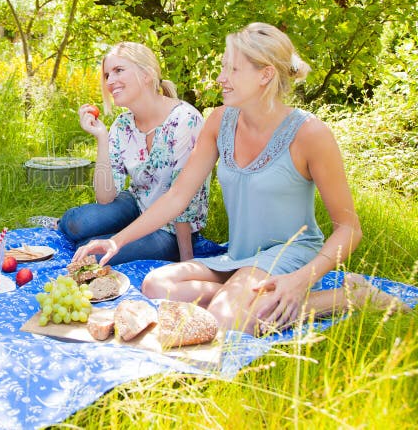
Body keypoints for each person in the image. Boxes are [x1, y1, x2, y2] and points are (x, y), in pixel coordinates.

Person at [73, 23, 407, 335]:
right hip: (240, 255)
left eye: (232, 69)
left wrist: (302, 279)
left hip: (289, 255)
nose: (221, 78)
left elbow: (349, 229)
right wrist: (118, 241)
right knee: (156, 285)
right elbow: (177, 197)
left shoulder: (310, 133)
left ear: (265, 75)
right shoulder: (220, 121)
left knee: (225, 318)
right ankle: (253, 300)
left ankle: (351, 297)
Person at [57, 42, 224, 265]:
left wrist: (186, 262)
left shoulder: (185, 120)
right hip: (136, 204)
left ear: (147, 75)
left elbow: (185, 202)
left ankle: (120, 237)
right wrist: (102, 138)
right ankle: (118, 232)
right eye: (107, 74)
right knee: (74, 223)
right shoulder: (122, 124)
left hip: (171, 227)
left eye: (119, 71)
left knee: (89, 253)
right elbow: (105, 197)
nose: (110, 81)